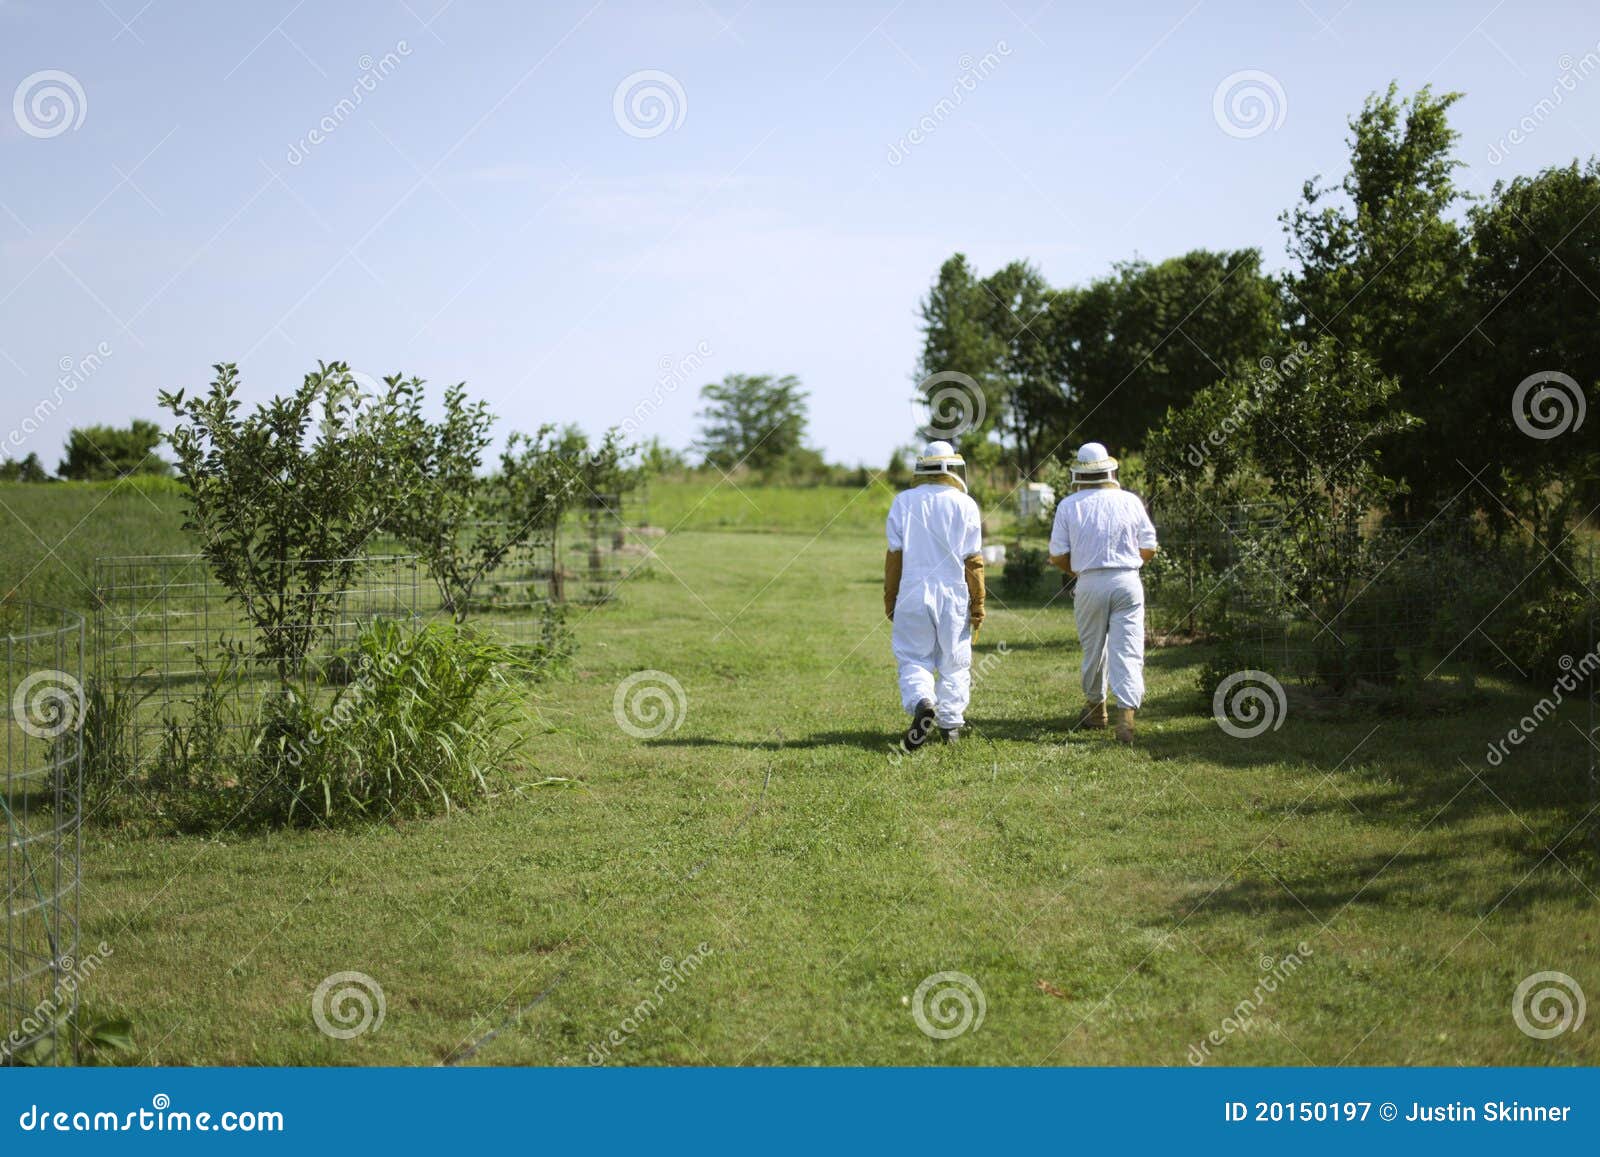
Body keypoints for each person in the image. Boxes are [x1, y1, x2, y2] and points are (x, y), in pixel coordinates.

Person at [1048, 442, 1158, 744]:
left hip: (1089, 583)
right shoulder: (1130, 501)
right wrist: (1128, 565)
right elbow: (1149, 546)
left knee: (1093, 649)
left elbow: (1057, 554)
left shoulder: (1069, 505)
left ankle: (1097, 712)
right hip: (1127, 581)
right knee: (1129, 650)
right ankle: (1126, 719)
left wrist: (1080, 570)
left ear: (1079, 473)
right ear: (1110, 469)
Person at [883, 441, 986, 750]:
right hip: (954, 592)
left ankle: (922, 701)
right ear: (952, 468)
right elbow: (974, 561)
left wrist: (891, 599)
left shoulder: (903, 501)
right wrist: (978, 604)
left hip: (912, 591)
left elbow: (894, 557)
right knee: (955, 661)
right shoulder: (966, 504)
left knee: (914, 657)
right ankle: (951, 727)